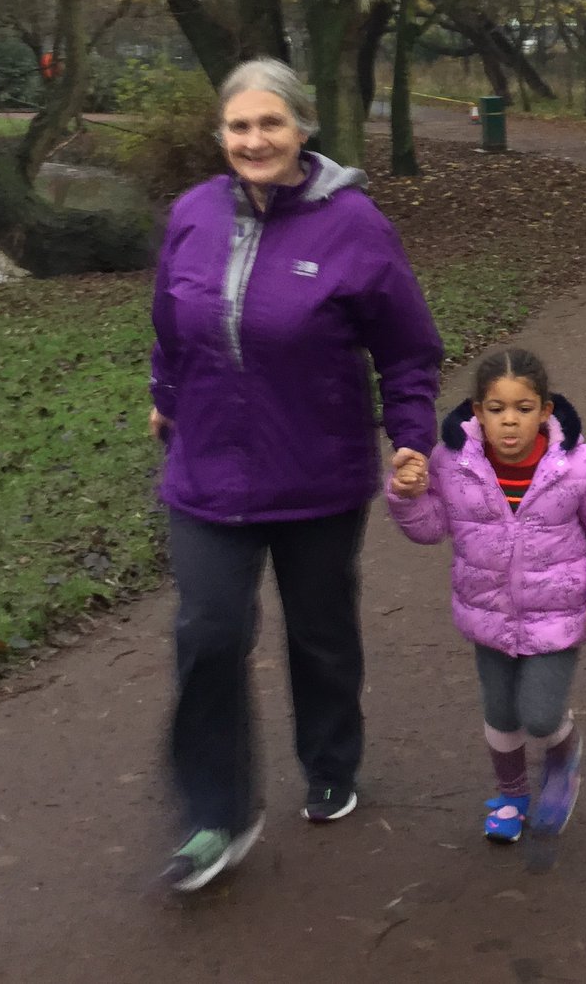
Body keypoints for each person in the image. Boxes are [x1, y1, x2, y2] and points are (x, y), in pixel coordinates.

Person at [148, 58, 442, 893]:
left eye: (270, 124)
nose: (253, 141)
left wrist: (411, 435)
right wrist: (164, 395)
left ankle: (330, 761)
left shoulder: (354, 226)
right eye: (238, 127)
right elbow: (170, 323)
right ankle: (217, 814)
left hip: (316, 469)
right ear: (221, 136)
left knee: (318, 631)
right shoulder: (192, 214)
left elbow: (408, 349)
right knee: (207, 634)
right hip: (206, 470)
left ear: (303, 129)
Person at [386, 347, 586, 871]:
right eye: (496, 409)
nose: (509, 421)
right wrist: (407, 496)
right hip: (488, 614)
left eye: (523, 408)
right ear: (477, 411)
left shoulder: (580, 466)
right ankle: (511, 795)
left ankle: (564, 756)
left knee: (540, 715)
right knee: (500, 711)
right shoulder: (453, 464)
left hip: (560, 615)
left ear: (546, 410)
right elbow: (431, 528)